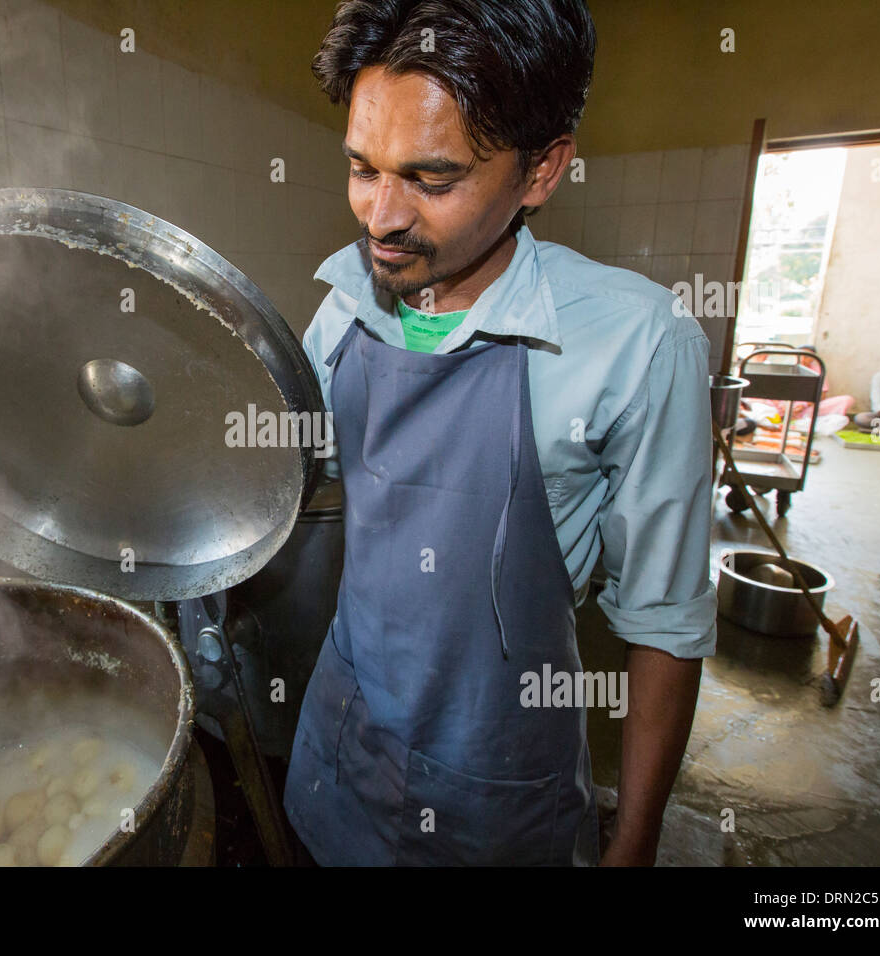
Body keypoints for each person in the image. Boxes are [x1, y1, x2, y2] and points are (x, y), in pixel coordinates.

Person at [284, 0, 715, 867]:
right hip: (342, 744)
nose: (381, 217)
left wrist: (633, 843)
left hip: (498, 786)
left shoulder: (634, 342)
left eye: (432, 180)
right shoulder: (341, 312)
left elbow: (665, 625)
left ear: (543, 171)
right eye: (362, 169)